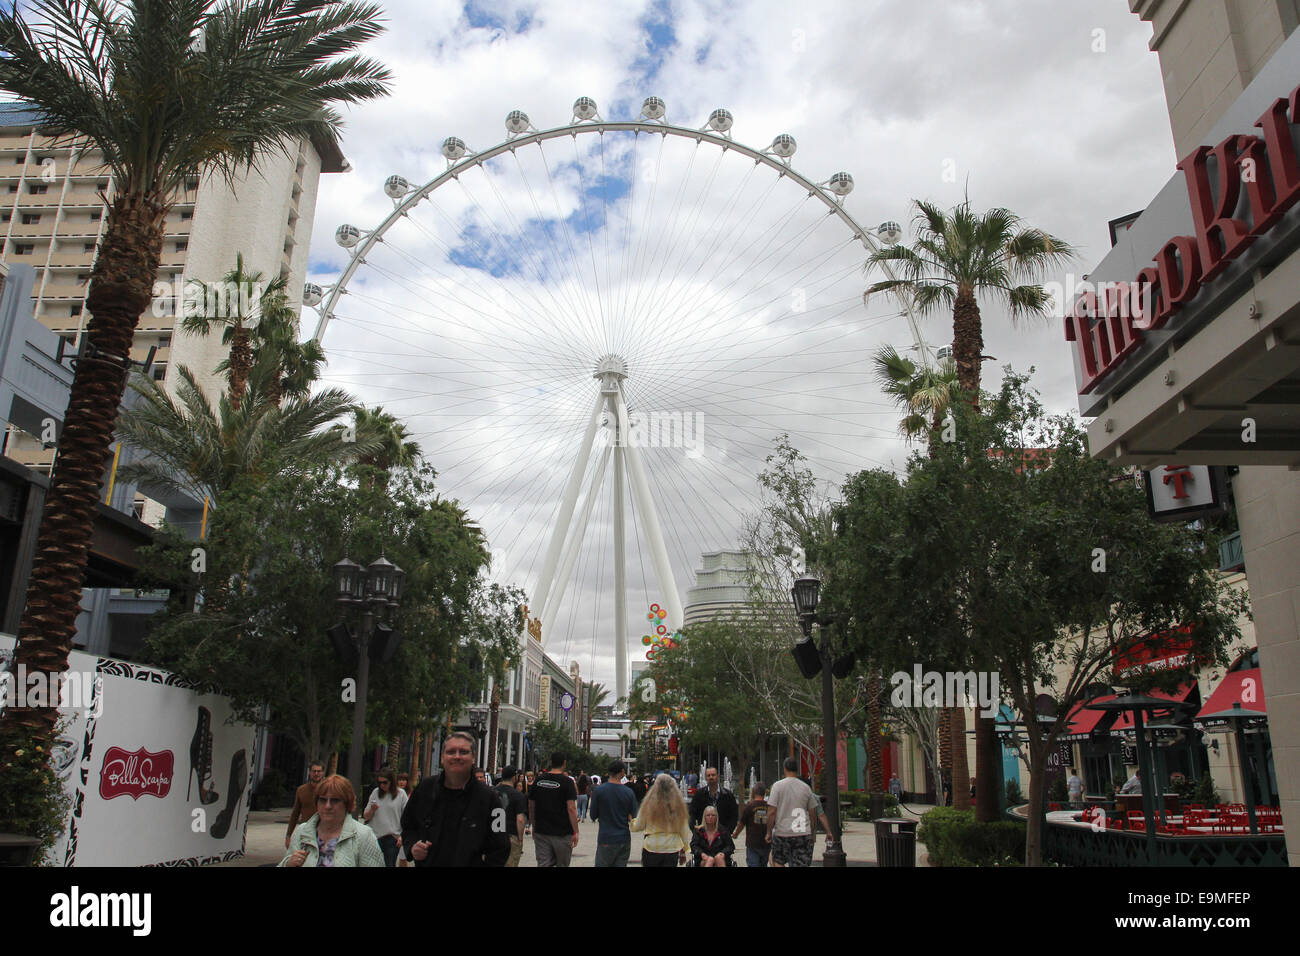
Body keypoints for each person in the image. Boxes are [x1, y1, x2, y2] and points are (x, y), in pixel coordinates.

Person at [400, 731, 510, 867]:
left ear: (473, 757)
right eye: (451, 752)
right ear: (442, 758)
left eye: (463, 752)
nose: (457, 756)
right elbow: (408, 826)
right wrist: (412, 847)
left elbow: (501, 847)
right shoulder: (424, 789)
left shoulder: (490, 799)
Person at [280, 774, 384, 867]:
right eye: (323, 800)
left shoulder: (363, 835)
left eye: (335, 800)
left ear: (347, 803)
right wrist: (288, 864)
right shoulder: (302, 832)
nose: (327, 806)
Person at [766, 757, 830, 868]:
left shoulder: (777, 786)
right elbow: (812, 813)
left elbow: (771, 812)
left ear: (784, 769)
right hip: (802, 832)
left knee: (778, 861)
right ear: (797, 770)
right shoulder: (806, 788)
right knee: (800, 863)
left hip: (782, 832)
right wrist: (812, 831)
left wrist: (768, 831)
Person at [630, 772, 692, 867]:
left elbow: (639, 825)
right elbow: (683, 830)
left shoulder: (648, 804)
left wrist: (631, 822)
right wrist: (684, 849)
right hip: (672, 848)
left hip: (652, 847)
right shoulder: (678, 806)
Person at [530, 752, 579, 867]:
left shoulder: (538, 780)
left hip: (542, 830)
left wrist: (533, 824)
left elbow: (531, 805)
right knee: (562, 864)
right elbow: (571, 808)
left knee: (543, 864)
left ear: (551, 763)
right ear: (564, 764)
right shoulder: (567, 782)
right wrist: (575, 831)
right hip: (562, 832)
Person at [589, 760, 640, 867]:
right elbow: (634, 816)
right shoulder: (628, 792)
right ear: (622, 772)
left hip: (606, 838)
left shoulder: (599, 791)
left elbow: (593, 815)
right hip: (623, 838)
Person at [363, 768, 407, 867]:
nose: (382, 785)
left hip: (392, 837)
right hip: (375, 837)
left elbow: (407, 817)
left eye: (385, 782)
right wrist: (372, 810)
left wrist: (403, 835)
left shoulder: (401, 794)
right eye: (379, 782)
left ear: (391, 781)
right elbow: (366, 816)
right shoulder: (376, 792)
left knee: (389, 864)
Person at [494, 765, 528, 868]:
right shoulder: (518, 795)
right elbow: (520, 819)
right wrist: (520, 838)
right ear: (514, 777)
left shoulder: (492, 792)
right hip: (510, 835)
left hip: (493, 834)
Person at [285, 760, 325, 849]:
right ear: (309, 772)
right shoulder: (301, 790)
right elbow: (295, 814)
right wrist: (288, 835)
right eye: (314, 771)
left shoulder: (329, 790)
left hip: (324, 831)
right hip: (306, 831)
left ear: (323, 772)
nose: (316, 774)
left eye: (319, 771)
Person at [689, 766, 740, 832]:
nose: (711, 777)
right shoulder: (699, 795)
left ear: (718, 776)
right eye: (708, 775)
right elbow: (692, 813)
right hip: (703, 835)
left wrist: (728, 832)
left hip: (723, 835)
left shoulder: (728, 795)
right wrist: (695, 830)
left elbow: (734, 815)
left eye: (713, 775)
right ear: (706, 778)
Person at [734, 782, 772, 867]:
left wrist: (736, 834)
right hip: (766, 843)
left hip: (753, 844)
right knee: (763, 864)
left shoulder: (750, 806)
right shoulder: (768, 806)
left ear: (753, 792)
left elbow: (741, 823)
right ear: (764, 793)